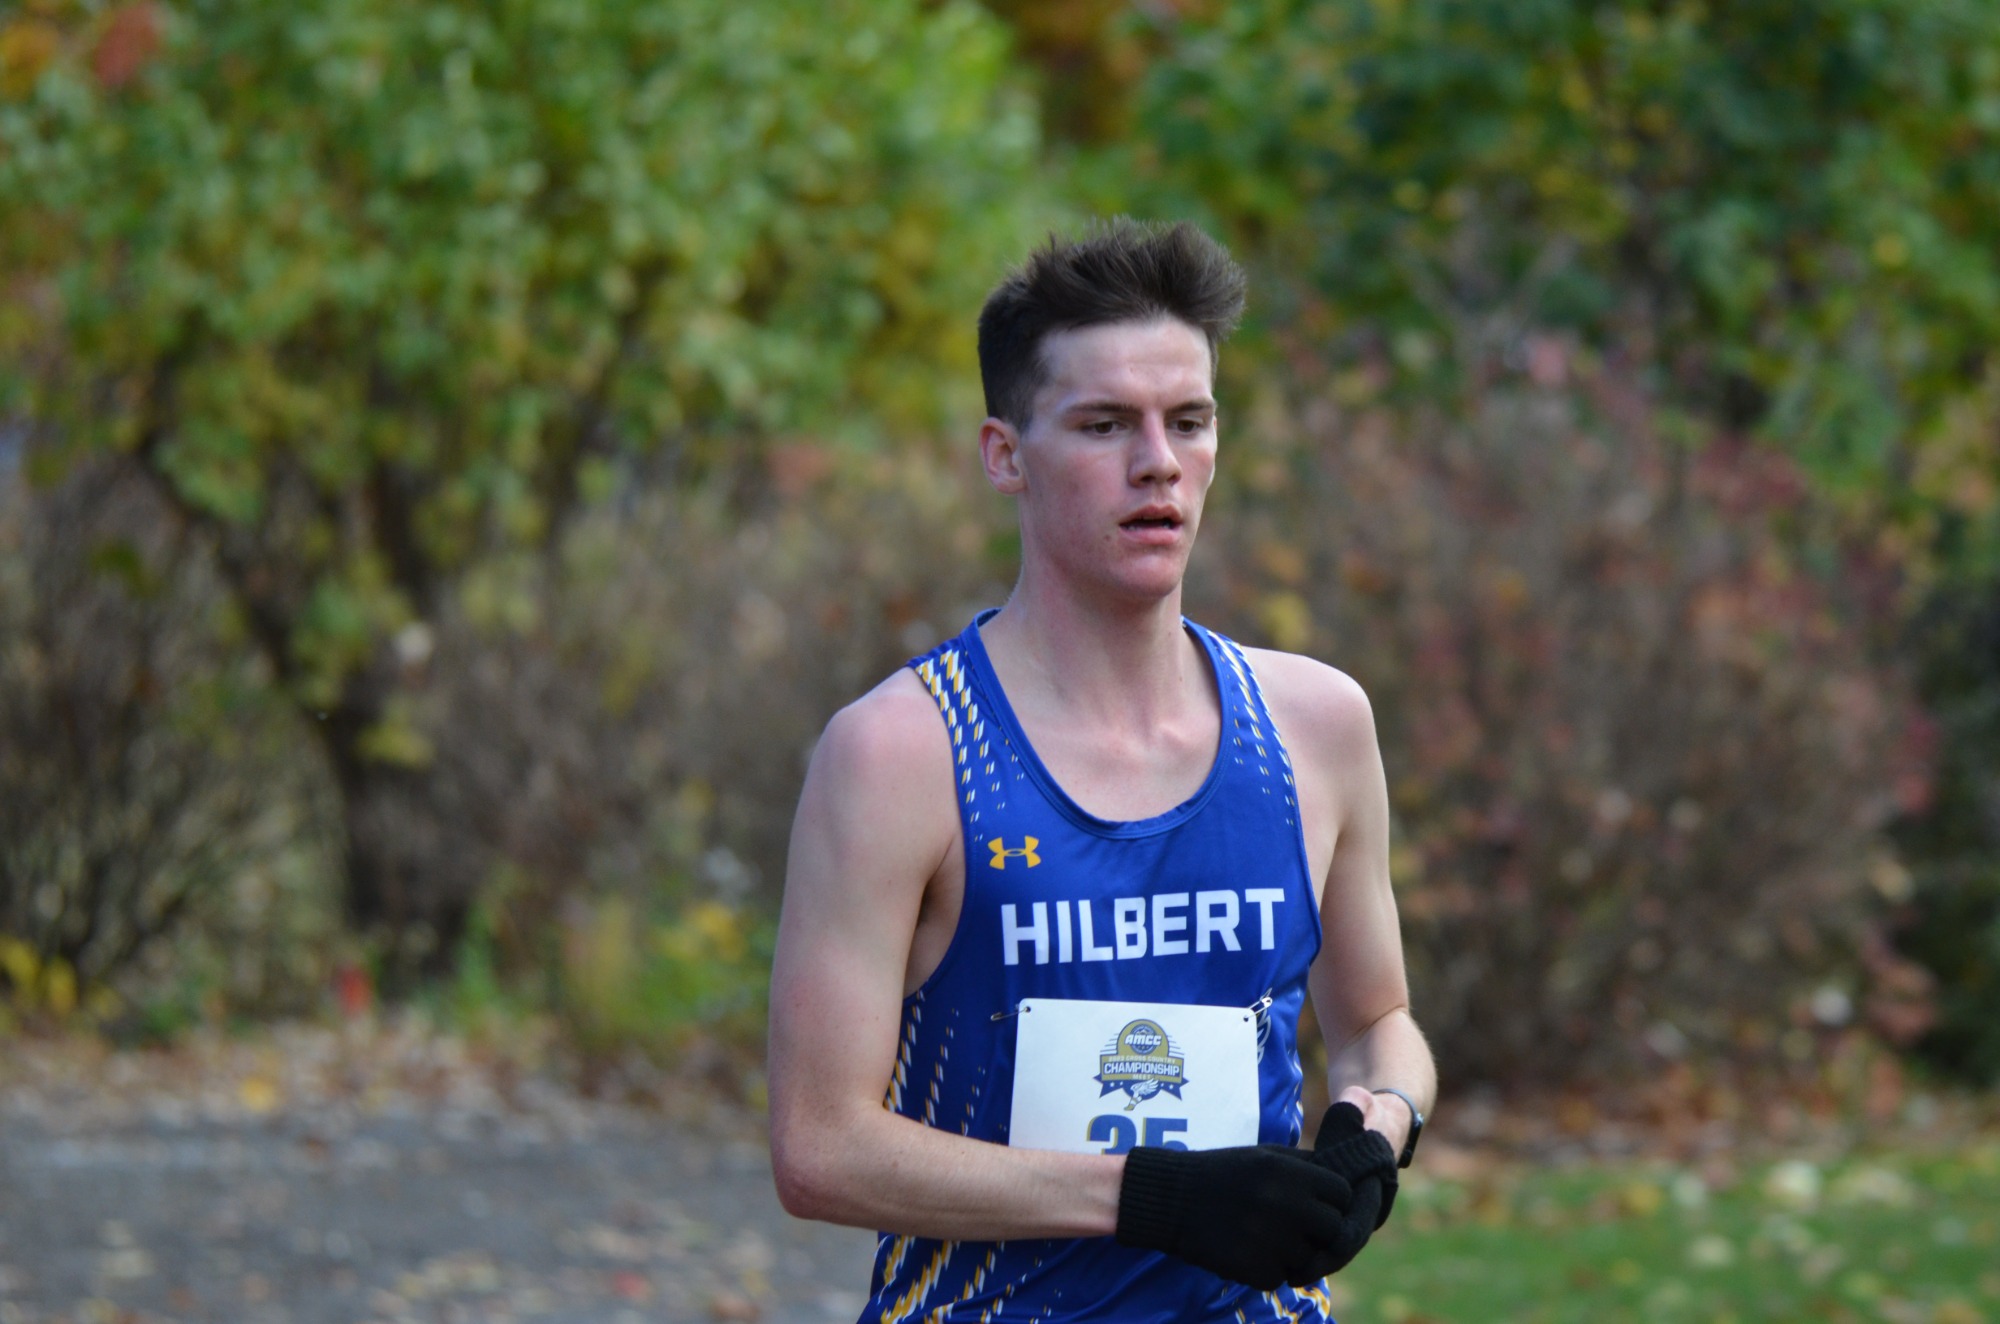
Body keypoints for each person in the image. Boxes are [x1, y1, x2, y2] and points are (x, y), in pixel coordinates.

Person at [767, 220, 1436, 1323]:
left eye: (1188, 421)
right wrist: (1148, 1196)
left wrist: (1377, 1128)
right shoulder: (899, 752)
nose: (1156, 464)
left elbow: (1379, 1022)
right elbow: (819, 1146)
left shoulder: (1317, 722)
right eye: (1102, 424)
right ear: (1003, 454)